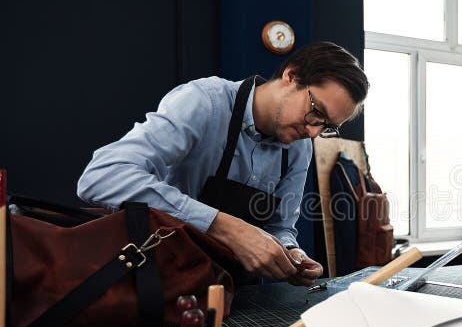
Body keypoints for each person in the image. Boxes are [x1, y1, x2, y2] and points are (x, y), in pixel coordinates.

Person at [78, 41, 369, 286]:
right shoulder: (204, 102)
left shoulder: (299, 146)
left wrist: (291, 253)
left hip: (237, 293)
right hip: (160, 283)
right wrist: (227, 227)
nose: (314, 131)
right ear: (291, 76)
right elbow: (102, 176)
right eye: (316, 111)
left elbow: (280, 226)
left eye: (327, 126)